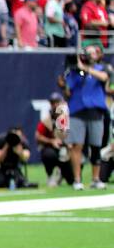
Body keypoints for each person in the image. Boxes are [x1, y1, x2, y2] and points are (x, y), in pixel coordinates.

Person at [59, 44, 110, 189]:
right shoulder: (74, 72)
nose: (89, 55)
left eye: (92, 53)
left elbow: (104, 78)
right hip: (77, 111)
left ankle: (95, 178)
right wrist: (69, 76)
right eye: (87, 53)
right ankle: (77, 179)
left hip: (95, 111)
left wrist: (86, 69)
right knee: (77, 145)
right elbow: (68, 90)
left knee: (96, 145)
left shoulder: (102, 68)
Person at [37, 92, 70, 187]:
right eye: (52, 103)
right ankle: (51, 175)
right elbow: (38, 136)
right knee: (48, 154)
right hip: (53, 149)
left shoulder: (68, 117)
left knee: (71, 179)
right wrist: (51, 141)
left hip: (67, 149)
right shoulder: (47, 119)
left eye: (57, 102)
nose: (55, 105)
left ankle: (63, 174)